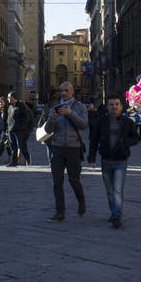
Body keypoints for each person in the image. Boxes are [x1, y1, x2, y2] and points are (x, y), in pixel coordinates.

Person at [88, 94, 139, 228]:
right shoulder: (101, 122)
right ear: (107, 107)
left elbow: (135, 138)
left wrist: (124, 143)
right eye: (111, 104)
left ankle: (117, 216)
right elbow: (93, 140)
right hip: (106, 160)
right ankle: (114, 212)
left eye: (117, 104)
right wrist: (91, 158)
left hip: (121, 161)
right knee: (109, 191)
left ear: (121, 106)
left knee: (117, 190)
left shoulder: (128, 123)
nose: (114, 107)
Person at [43, 81, 88, 221]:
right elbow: (47, 130)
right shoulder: (54, 109)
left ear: (72, 92)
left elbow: (84, 124)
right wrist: (52, 119)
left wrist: (71, 113)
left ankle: (81, 200)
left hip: (73, 149)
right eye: (61, 91)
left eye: (66, 90)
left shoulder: (80, 107)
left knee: (74, 180)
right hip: (57, 148)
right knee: (57, 182)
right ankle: (60, 211)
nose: (63, 93)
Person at [6, 90, 34, 167]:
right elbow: (9, 118)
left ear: (13, 98)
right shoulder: (10, 106)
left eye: (9, 97)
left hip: (20, 131)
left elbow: (26, 117)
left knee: (21, 146)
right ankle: (13, 162)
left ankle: (28, 159)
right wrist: (7, 128)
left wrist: (21, 126)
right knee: (13, 147)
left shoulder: (21, 106)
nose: (7, 98)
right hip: (11, 130)